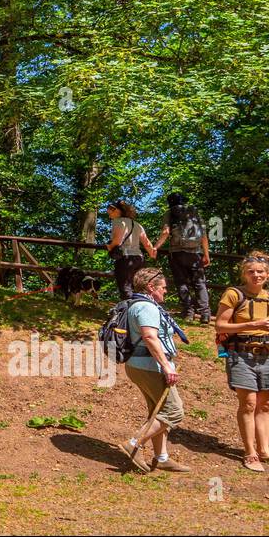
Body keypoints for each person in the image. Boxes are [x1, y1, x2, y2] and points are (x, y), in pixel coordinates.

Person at [215, 252, 269, 473]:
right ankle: (250, 453)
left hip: (268, 353)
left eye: (260, 272)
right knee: (249, 403)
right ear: (244, 274)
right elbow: (221, 326)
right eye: (251, 271)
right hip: (240, 353)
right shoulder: (233, 294)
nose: (256, 275)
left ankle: (266, 451)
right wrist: (253, 325)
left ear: (267, 275)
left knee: (266, 405)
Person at [117, 267, 191, 473]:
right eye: (163, 288)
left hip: (139, 364)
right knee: (173, 411)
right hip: (150, 366)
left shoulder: (136, 304)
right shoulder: (146, 307)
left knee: (158, 412)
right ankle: (133, 444)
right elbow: (150, 337)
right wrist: (167, 366)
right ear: (151, 287)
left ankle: (162, 457)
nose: (166, 291)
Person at [155, 192, 211, 322]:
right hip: (195, 253)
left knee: (181, 283)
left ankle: (188, 313)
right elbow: (203, 235)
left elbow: (165, 232)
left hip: (177, 253)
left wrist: (155, 247)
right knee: (200, 284)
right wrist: (206, 255)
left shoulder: (169, 213)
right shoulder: (194, 212)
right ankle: (205, 314)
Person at [106, 200, 156, 300]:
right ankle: (140, 307)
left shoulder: (119, 222)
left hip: (126, 258)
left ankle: (127, 311)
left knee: (125, 287)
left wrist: (110, 246)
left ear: (116, 210)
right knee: (138, 286)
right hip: (139, 259)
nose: (109, 216)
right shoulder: (137, 225)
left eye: (109, 212)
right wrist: (152, 254)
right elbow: (146, 243)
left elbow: (117, 241)